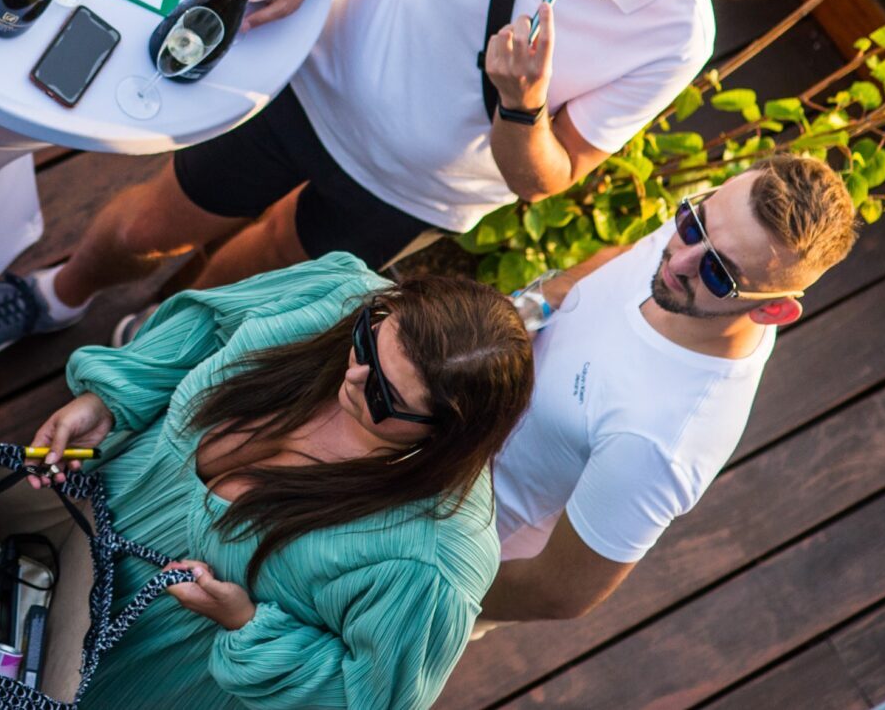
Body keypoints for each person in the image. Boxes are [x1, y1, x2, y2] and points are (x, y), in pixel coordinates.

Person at [0, 0, 732, 363]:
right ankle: (59, 291)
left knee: (257, 266)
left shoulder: (676, 32)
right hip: (313, 85)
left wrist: (522, 104)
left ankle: (157, 337)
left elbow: (545, 178)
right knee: (146, 224)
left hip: (410, 190)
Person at [30, 258, 532, 708]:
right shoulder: (338, 291)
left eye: (384, 396)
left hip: (141, 671)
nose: (352, 378)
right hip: (57, 541)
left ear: (450, 433)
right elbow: (207, 324)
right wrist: (109, 399)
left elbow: (368, 701)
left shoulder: (433, 562)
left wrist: (247, 624)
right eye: (364, 343)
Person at [482, 155, 858, 622]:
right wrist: (532, 309)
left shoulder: (665, 442)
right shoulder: (708, 245)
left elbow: (558, 592)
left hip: (432, 526)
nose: (679, 260)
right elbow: (620, 259)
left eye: (719, 275)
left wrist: (429, 591)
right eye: (692, 223)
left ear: (772, 311)